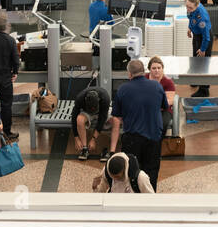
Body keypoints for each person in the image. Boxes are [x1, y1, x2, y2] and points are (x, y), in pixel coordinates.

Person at [108, 59, 168, 190]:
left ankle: (132, 199)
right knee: (151, 170)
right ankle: (150, 198)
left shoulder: (123, 90)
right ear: (144, 71)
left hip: (132, 139)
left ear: (129, 74)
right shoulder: (157, 86)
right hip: (153, 137)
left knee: (131, 171)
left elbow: (116, 116)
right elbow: (164, 106)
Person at [72, 84, 112, 161]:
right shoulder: (80, 98)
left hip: (101, 111)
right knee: (79, 119)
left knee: (114, 120)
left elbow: (102, 119)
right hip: (87, 112)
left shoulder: (105, 98)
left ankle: (111, 151)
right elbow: (74, 117)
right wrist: (76, 138)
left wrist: (93, 139)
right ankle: (84, 149)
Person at [184, 0, 214, 96]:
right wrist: (190, 28)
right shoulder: (192, 7)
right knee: (195, 60)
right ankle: (196, 79)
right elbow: (191, 17)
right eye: (187, 6)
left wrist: (203, 49)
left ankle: (204, 89)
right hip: (196, 35)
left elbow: (207, 37)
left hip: (204, 39)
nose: (188, 9)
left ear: (197, 6)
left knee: (203, 64)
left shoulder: (202, 18)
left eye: (190, 8)